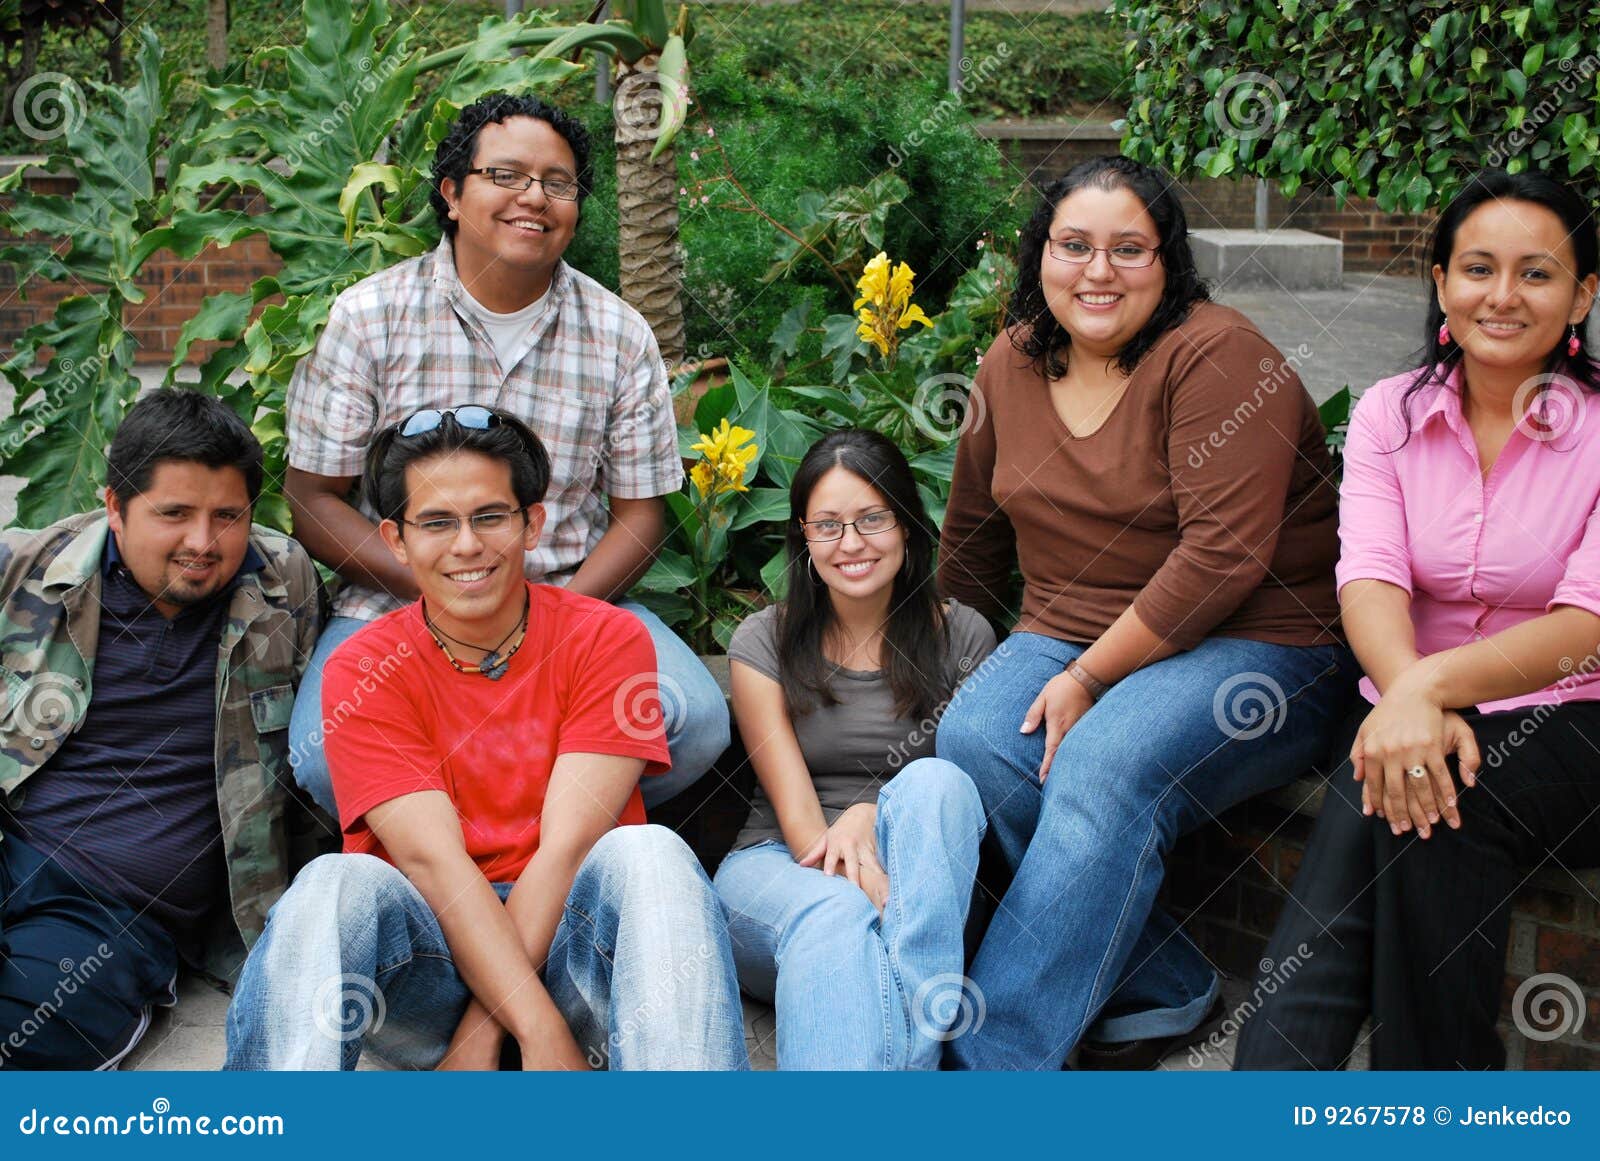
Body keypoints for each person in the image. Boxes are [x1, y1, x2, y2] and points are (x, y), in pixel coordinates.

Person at [934, 155, 1358, 1070]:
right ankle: (1167, 981)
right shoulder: (1011, 360)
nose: (1098, 271)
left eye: (1130, 248)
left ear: (1169, 262)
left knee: (1107, 759)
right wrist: (921, 666)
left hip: (1263, 645)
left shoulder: (1217, 356)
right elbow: (971, 535)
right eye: (1074, 245)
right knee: (971, 737)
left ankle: (991, 1064)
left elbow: (1222, 558)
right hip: (1066, 625)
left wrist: (1089, 677)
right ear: (1038, 255)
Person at [225, 406, 748, 1071]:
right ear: (396, 539)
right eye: (437, 522)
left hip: (576, 965)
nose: (466, 545)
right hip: (429, 973)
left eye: (490, 516)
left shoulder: (606, 638)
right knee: (333, 881)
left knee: (653, 854)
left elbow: (569, 846)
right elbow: (431, 863)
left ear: (532, 523)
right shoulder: (362, 667)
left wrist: (506, 1032)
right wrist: (529, 1028)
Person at [1235, 169, 1600, 1071]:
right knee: (1412, 782)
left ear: (1584, 295)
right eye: (1477, 268)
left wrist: (1420, 693)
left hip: (1575, 716)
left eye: (1538, 274)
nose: (1503, 296)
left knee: (1438, 794)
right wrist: (1412, 697)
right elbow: (1369, 579)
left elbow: (1587, 624)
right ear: (1439, 283)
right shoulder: (1389, 416)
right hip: (1406, 699)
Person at [281, 91, 727, 819]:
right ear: (453, 193)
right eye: (507, 176)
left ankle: (514, 851)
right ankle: (489, 864)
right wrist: (441, 594)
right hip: (399, 603)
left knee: (692, 721)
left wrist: (548, 626)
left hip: (566, 594)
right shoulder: (369, 318)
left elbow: (642, 515)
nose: (535, 198)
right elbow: (310, 496)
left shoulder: (618, 334)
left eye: (558, 183)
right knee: (324, 758)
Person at [0, 390, 321, 1070]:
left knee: (27, 1040)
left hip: (107, 908)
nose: (202, 543)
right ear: (114, 508)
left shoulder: (283, 585)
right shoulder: (25, 571)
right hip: (14, 841)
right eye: (173, 514)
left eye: (227, 516)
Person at [714, 430, 993, 1070]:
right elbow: (802, 825)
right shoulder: (765, 641)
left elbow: (960, 787)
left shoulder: (964, 635)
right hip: (785, 865)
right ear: (804, 539)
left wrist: (874, 811)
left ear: (908, 526)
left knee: (937, 786)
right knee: (838, 910)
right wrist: (868, 875)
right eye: (829, 526)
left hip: (921, 872)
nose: (852, 544)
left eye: (872, 519)